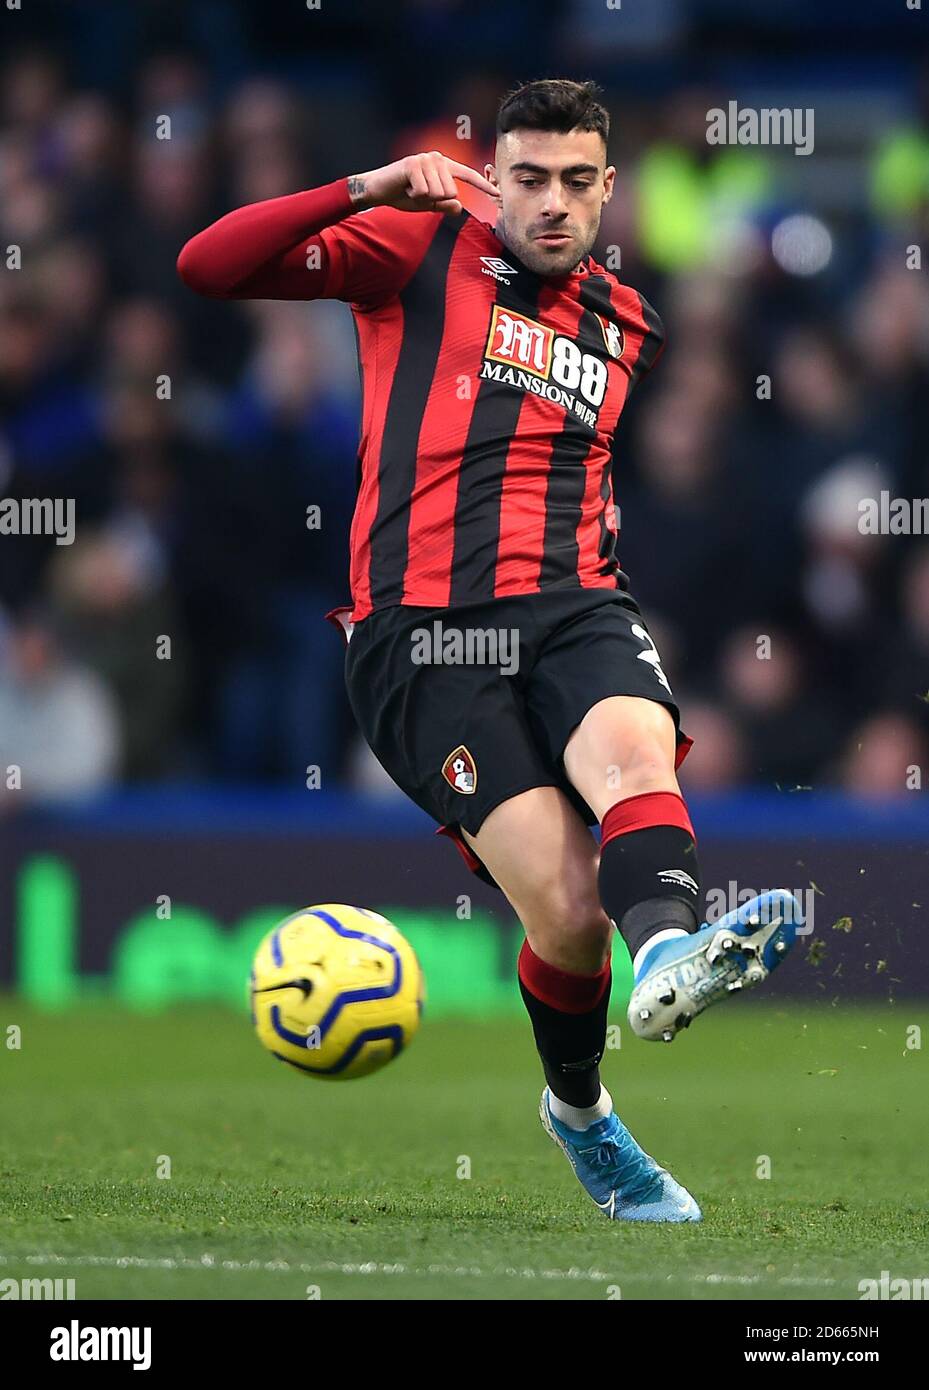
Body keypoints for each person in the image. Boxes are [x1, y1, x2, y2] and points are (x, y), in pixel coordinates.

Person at [178, 78, 801, 1223]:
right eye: (527, 177)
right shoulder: (415, 249)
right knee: (564, 914)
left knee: (634, 755)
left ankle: (666, 956)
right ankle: (579, 1114)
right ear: (492, 175)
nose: (550, 203)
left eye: (575, 181)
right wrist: (362, 184)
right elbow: (207, 266)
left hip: (571, 603)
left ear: (608, 190)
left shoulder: (625, 322)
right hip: (418, 633)